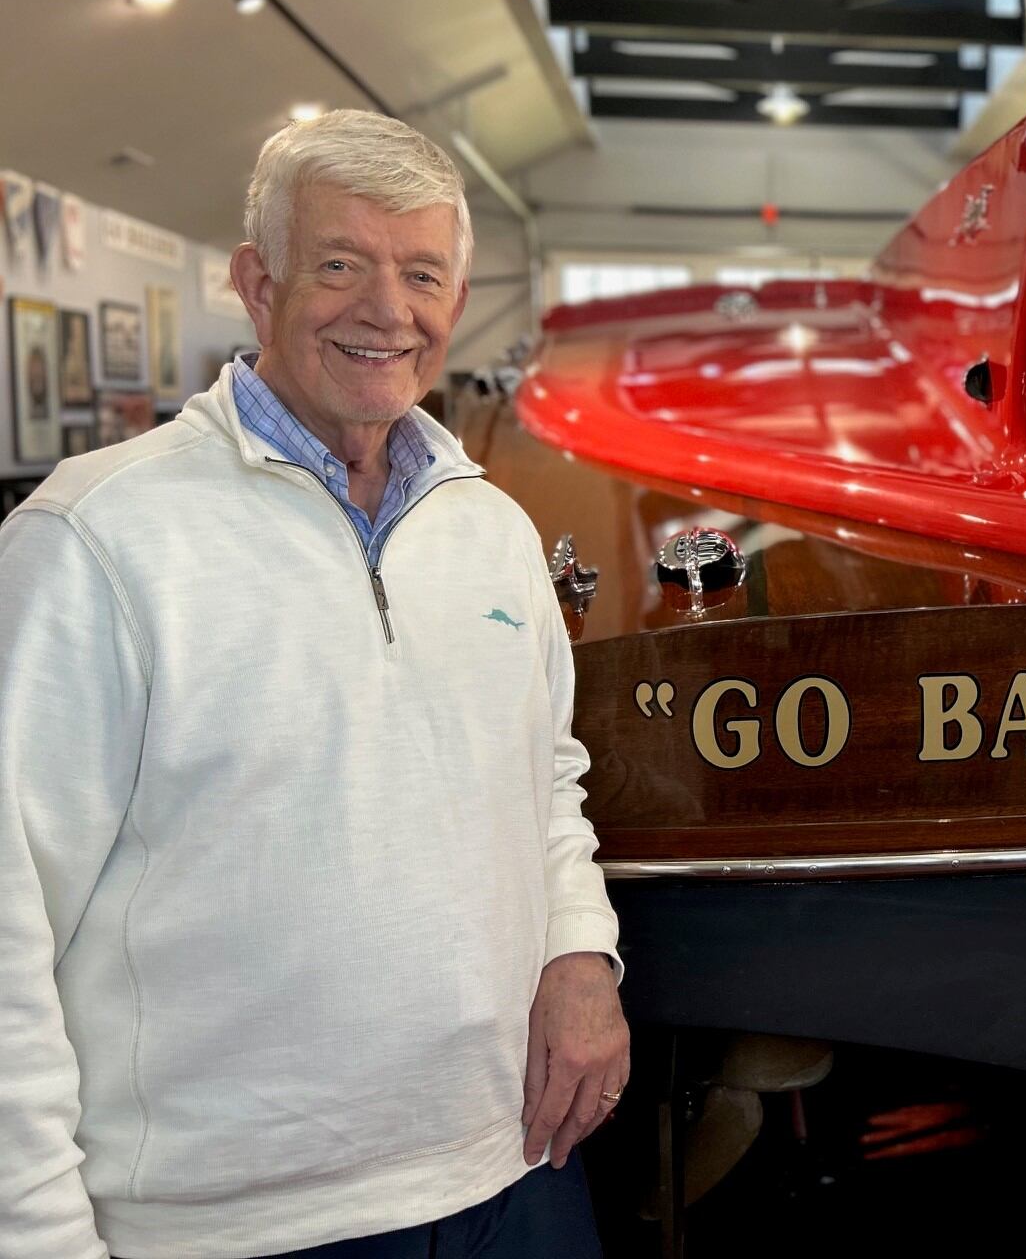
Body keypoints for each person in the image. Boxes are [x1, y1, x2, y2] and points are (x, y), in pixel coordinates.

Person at [0, 110, 629, 1257]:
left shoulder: (490, 530)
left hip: (513, 1171)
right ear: (258, 281)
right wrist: (37, 1232)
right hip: (233, 1226)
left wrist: (579, 952)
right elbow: (8, 912)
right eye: (340, 265)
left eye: (422, 273)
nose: (387, 310)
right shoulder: (95, 536)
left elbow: (543, 778)